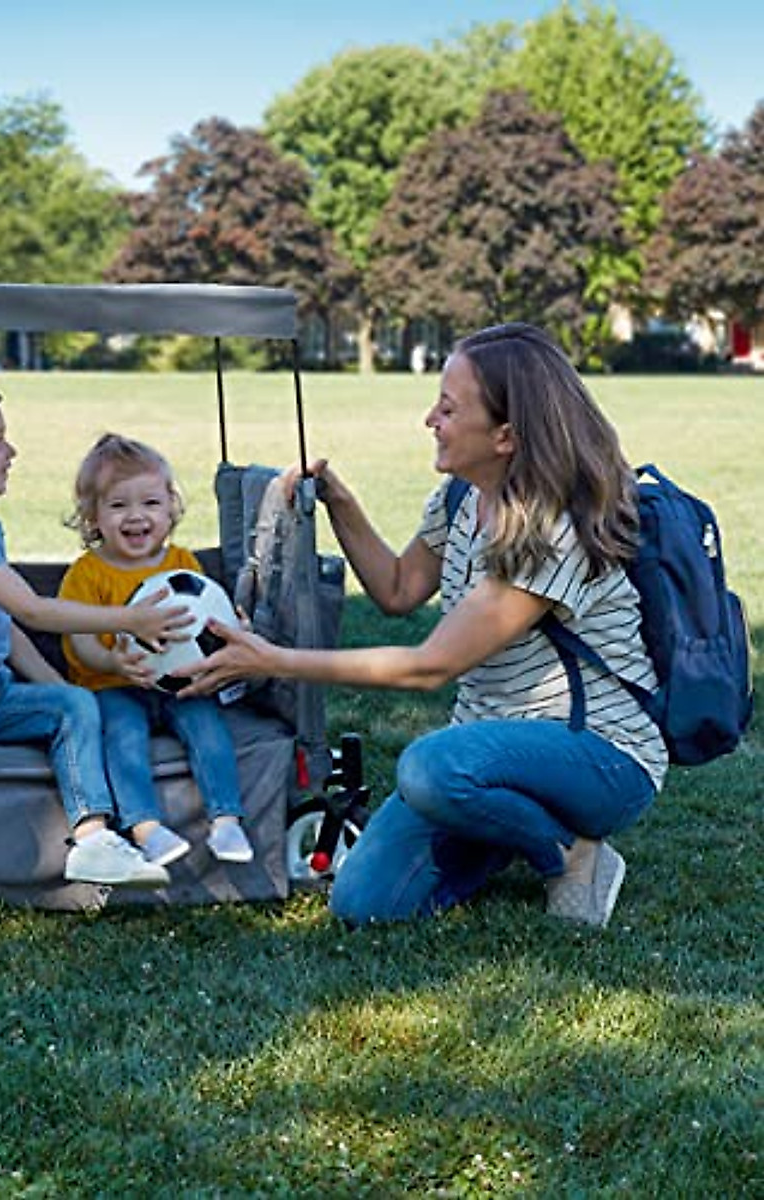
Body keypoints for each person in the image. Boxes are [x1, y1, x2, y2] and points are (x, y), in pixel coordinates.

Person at [180, 323, 666, 928]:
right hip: (484, 749)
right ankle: (507, 823)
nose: (429, 419)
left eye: (448, 407)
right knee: (365, 904)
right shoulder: (463, 498)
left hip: (601, 755)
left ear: (506, 436)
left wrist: (269, 658)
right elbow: (399, 588)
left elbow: (430, 665)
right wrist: (340, 501)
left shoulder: (550, 532)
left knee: (429, 769)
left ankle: (570, 853)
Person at [0, 377, 192, 941]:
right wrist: (131, 619)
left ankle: (93, 837)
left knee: (72, 704)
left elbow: (0, 624)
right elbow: (32, 610)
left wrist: (59, 691)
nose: (12, 452)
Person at [58, 433, 254, 867]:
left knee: (207, 724)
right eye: (118, 505)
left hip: (179, 683)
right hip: (114, 686)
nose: (136, 517)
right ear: (92, 517)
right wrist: (112, 660)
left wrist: (233, 628)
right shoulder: (87, 574)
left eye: (150, 503)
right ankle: (145, 828)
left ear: (170, 509)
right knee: (122, 737)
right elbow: (78, 639)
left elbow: (207, 619)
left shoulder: (182, 565)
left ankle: (226, 819)